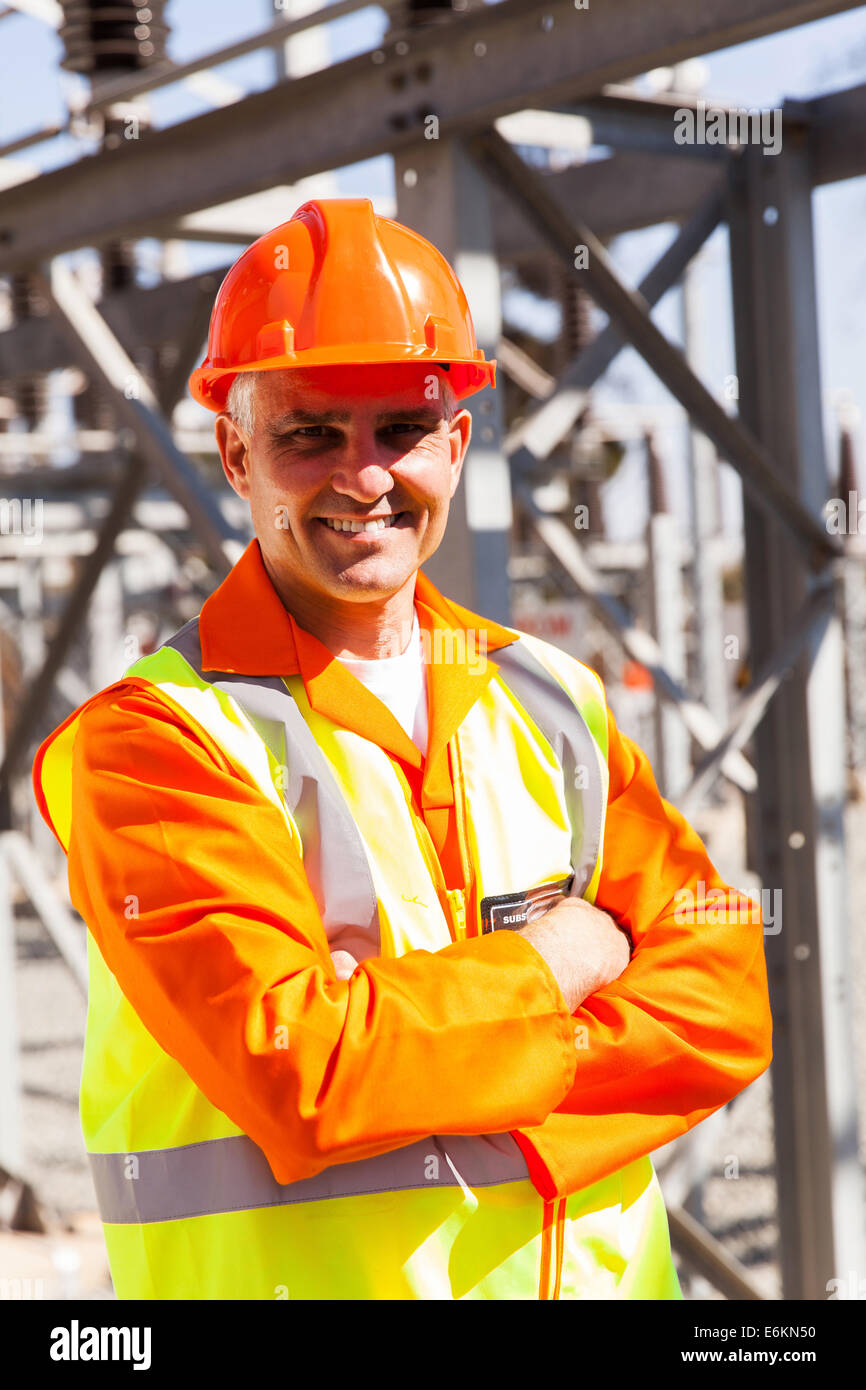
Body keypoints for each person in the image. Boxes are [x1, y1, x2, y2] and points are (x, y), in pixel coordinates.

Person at [32, 197, 773, 1301]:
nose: (363, 476)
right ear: (235, 453)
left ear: (457, 440)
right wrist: (564, 962)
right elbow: (310, 1072)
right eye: (309, 434)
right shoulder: (154, 744)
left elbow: (722, 991)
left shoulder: (552, 699)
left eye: (402, 430)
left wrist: (417, 1044)